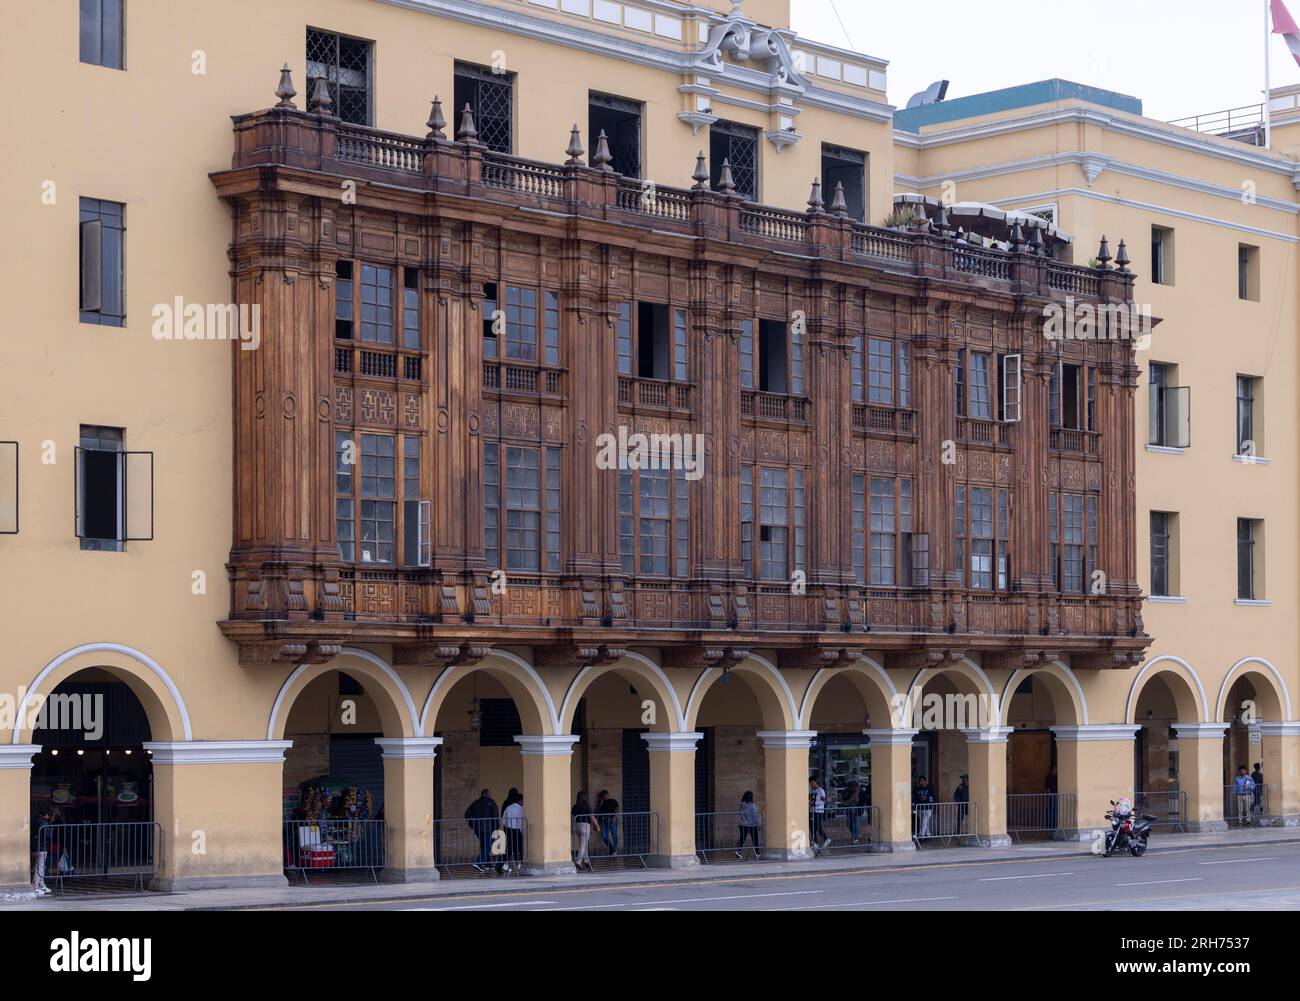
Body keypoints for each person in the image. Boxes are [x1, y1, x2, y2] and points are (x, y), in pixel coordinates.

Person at [464, 788, 501, 874]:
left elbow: (467, 814)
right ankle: (478, 862)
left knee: (484, 845)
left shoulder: (475, 803)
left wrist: (472, 824)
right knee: (487, 846)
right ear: (487, 794)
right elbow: (495, 816)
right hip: (488, 829)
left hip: (478, 829)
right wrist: (496, 828)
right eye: (489, 794)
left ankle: (487, 863)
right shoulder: (491, 803)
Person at [572, 791, 600, 871]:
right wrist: (597, 825)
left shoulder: (574, 807)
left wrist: (572, 827)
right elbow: (592, 817)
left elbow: (572, 817)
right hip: (585, 826)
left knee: (584, 845)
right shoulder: (587, 806)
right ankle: (578, 862)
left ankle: (587, 862)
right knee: (583, 845)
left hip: (577, 825)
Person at [501, 788, 525, 874]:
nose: (523, 802)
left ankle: (505, 865)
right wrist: (522, 831)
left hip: (508, 829)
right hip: (516, 830)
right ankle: (520, 864)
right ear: (519, 800)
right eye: (523, 800)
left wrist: (506, 827)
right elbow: (521, 821)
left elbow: (503, 819)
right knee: (519, 848)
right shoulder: (519, 808)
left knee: (510, 847)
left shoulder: (508, 807)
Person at [31, 808, 53, 896]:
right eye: (49, 815)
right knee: (39, 867)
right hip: (40, 847)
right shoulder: (42, 822)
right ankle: (35, 887)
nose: (49, 817)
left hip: (34, 847)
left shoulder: (34, 821)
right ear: (45, 815)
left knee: (40, 867)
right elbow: (48, 835)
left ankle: (41, 885)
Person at [736, 790, 762, 859]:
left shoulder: (742, 805)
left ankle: (738, 850)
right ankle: (757, 853)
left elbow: (740, 814)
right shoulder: (753, 805)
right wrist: (759, 824)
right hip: (752, 825)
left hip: (743, 824)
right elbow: (755, 815)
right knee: (755, 839)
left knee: (742, 838)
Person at [842, 780, 868, 845]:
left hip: (858, 811)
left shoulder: (861, 792)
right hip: (849, 811)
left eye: (853, 786)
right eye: (851, 786)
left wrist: (858, 800)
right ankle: (855, 835)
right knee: (849, 824)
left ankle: (855, 838)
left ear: (856, 786)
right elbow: (845, 800)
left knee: (857, 825)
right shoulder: (849, 791)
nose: (852, 788)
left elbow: (864, 800)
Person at [595, 789, 620, 856]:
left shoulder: (613, 801)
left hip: (612, 820)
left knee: (615, 835)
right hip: (605, 822)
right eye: (603, 796)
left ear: (608, 795)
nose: (604, 797)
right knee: (604, 836)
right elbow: (597, 812)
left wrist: (614, 816)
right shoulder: (601, 804)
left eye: (605, 795)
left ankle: (614, 850)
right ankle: (612, 849)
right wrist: (600, 802)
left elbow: (617, 808)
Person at [809, 775, 830, 851]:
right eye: (810, 783)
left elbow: (823, 801)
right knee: (812, 827)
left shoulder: (821, 791)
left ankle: (826, 839)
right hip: (812, 811)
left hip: (818, 811)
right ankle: (815, 843)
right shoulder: (812, 791)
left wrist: (813, 803)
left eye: (812, 782)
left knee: (818, 826)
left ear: (815, 782)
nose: (811, 784)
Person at [1045, 765, 1059, 830]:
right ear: (1052, 770)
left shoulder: (1057, 777)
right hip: (1051, 795)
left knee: (1055, 810)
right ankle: (1050, 824)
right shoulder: (1048, 777)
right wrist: (1051, 795)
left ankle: (1054, 823)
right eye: (1055, 769)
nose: (1056, 770)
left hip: (1056, 795)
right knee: (1051, 810)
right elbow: (1047, 788)